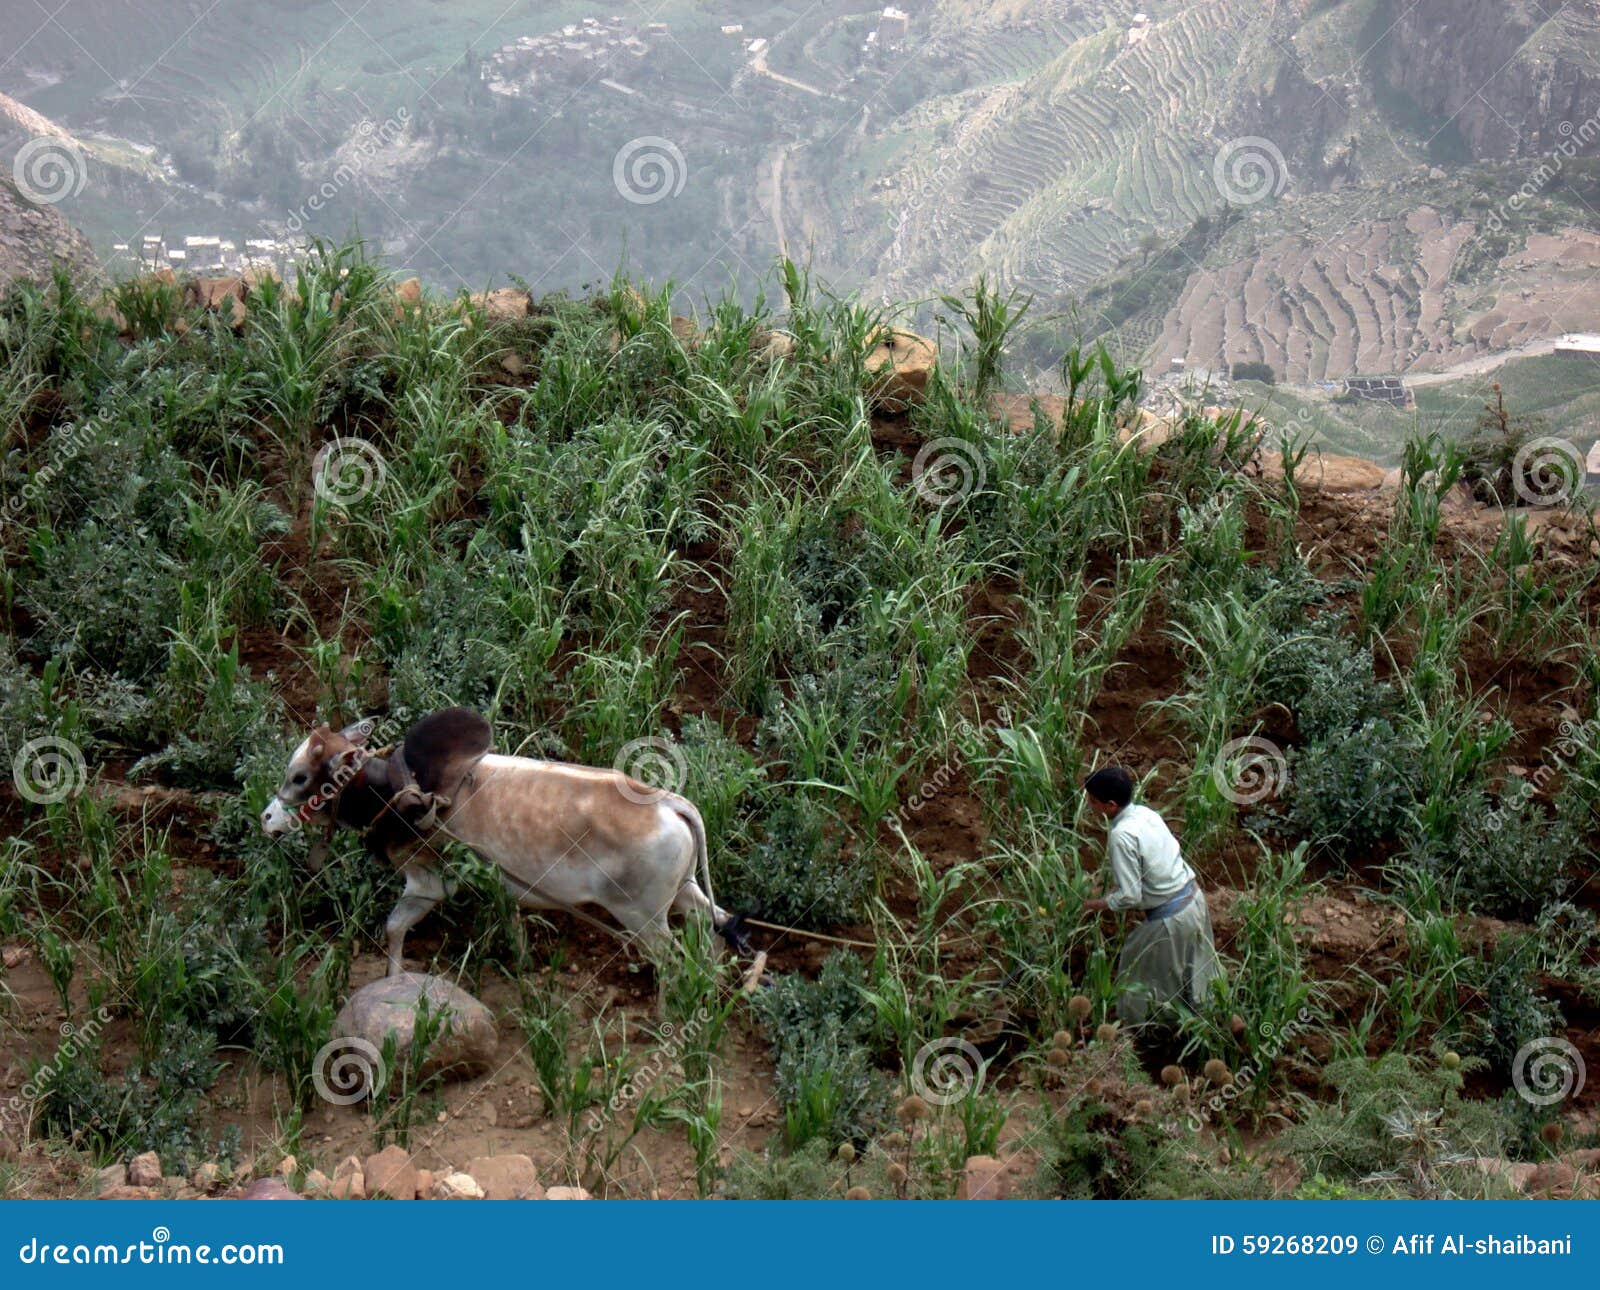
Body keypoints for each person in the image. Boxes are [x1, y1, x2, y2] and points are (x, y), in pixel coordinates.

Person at [1080, 766, 1222, 1029]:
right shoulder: (1146, 813)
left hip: (1171, 918)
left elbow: (1130, 898)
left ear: (1110, 805)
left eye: (1092, 801)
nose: (1089, 805)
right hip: (1194, 900)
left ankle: (1140, 1034)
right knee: (1199, 975)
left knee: (1137, 971)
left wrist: (1095, 905)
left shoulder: (1121, 835)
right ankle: (1217, 1023)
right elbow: (1153, 868)